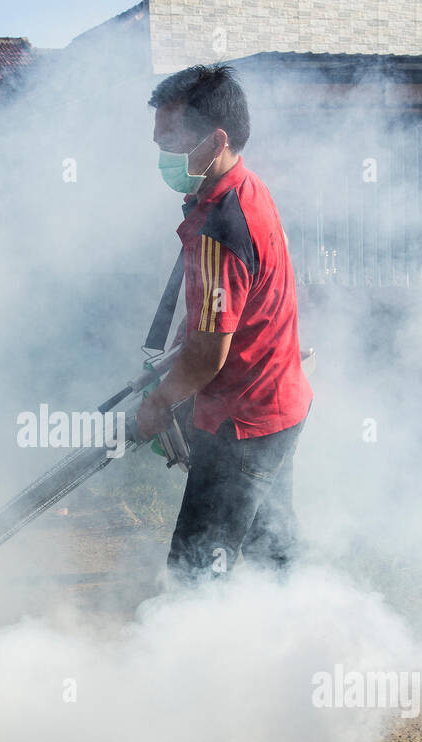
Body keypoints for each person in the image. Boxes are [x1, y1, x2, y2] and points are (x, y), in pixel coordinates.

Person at [135, 64, 313, 585]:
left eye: (169, 140)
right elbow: (231, 312)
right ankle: (307, 637)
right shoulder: (245, 190)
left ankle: (189, 654)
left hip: (243, 424)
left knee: (195, 571)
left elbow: (208, 354)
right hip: (278, 407)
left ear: (215, 141)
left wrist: (158, 403)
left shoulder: (221, 227)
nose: (161, 154)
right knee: (270, 550)